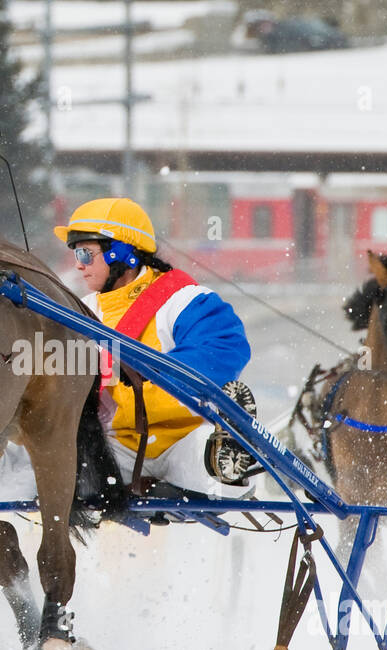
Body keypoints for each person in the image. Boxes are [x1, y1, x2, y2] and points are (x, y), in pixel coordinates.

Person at [56, 197, 254, 496]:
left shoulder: (185, 300)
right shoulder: (82, 312)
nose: (78, 265)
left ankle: (231, 452)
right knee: (45, 465)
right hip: (116, 446)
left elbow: (225, 347)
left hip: (186, 438)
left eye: (86, 253)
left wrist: (149, 369)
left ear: (122, 253)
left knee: (215, 470)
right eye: (75, 254)